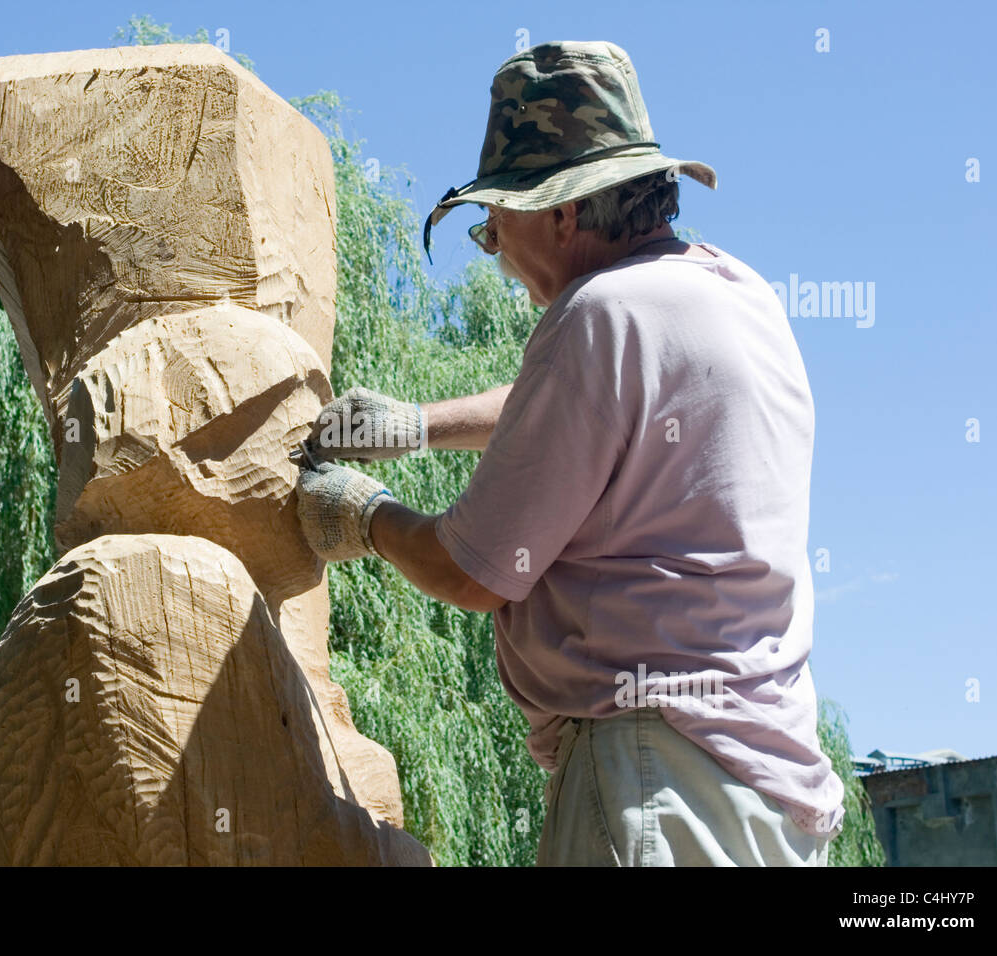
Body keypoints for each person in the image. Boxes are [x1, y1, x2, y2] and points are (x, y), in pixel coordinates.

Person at [295, 40, 844, 866]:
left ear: (561, 211)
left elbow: (469, 572)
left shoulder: (598, 314)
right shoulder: (732, 294)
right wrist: (417, 425)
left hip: (650, 776)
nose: (496, 250)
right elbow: (595, 407)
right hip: (756, 782)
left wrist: (362, 517)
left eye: (494, 224)